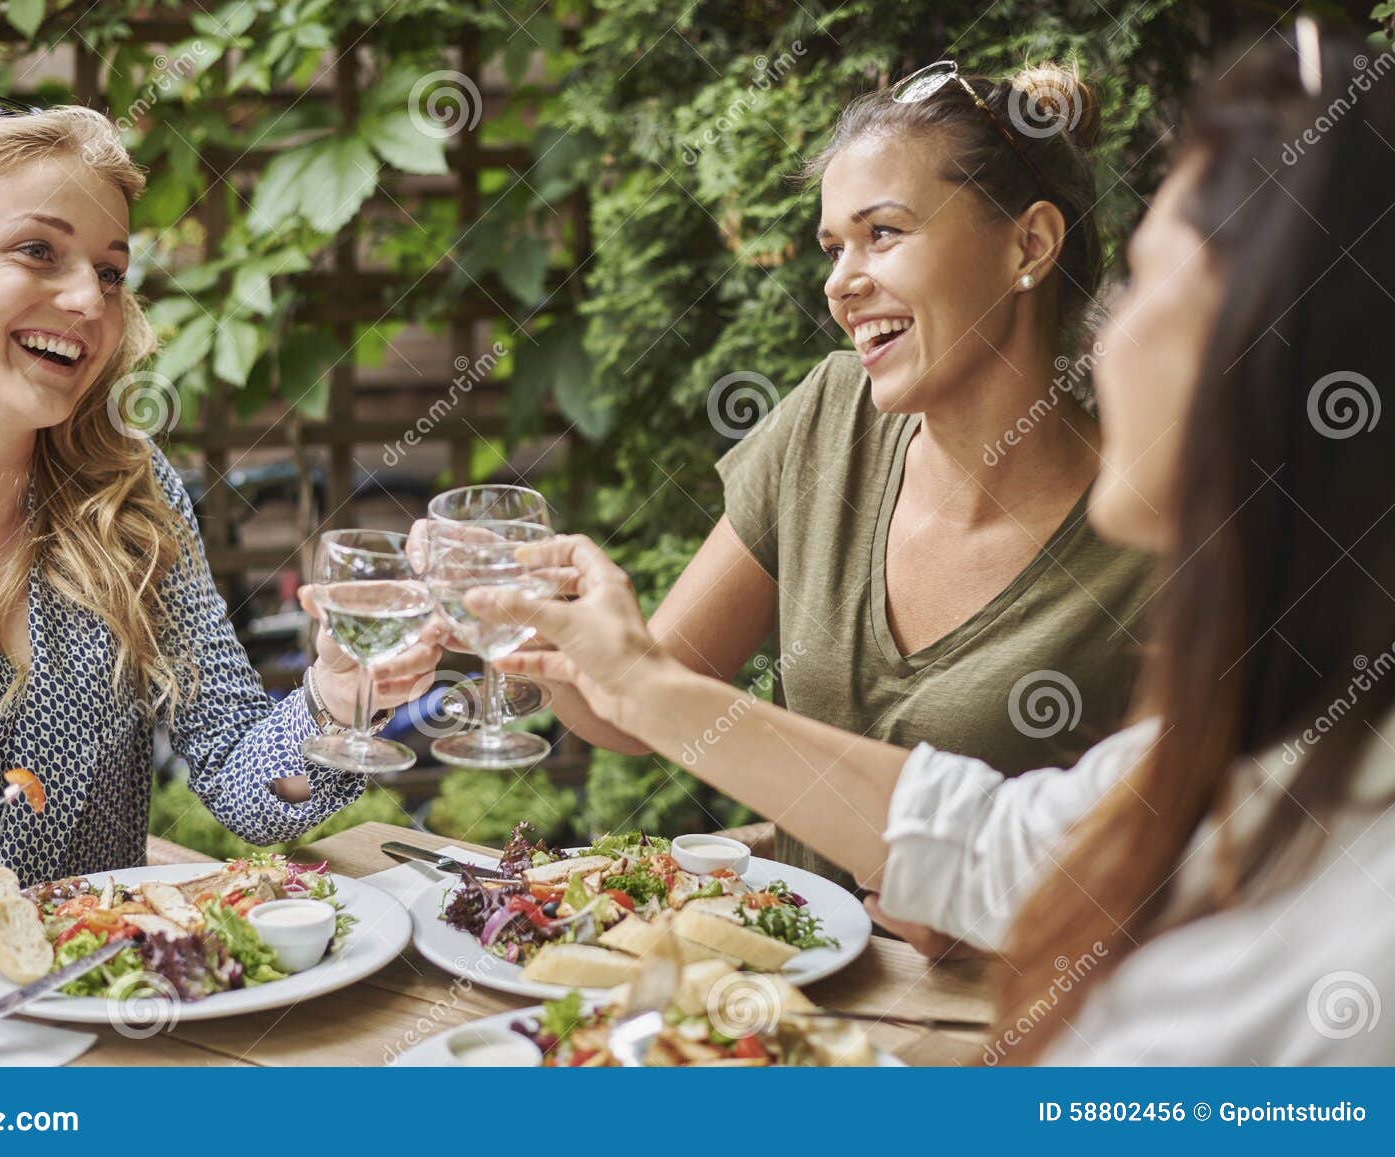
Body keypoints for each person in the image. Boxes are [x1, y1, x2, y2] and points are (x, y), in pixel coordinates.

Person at [472, 28, 1395, 1062]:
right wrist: (613, 663)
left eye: (1147, 281)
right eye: (834, 245)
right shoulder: (1293, 742)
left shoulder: (1348, 919)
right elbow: (997, 839)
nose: (1112, 332)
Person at [0, 98, 441, 1020]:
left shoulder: (132, 504)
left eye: (110, 270)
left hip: (106, 1022)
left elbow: (243, 780)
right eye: (36, 251)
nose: (87, 301)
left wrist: (337, 698)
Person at [483, 62, 1156, 898]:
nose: (841, 282)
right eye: (835, 248)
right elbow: (646, 705)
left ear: (1030, 244)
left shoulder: (1152, 535)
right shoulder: (833, 418)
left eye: (885, 234)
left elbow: (1170, 882)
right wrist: (560, 645)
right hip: (797, 1003)